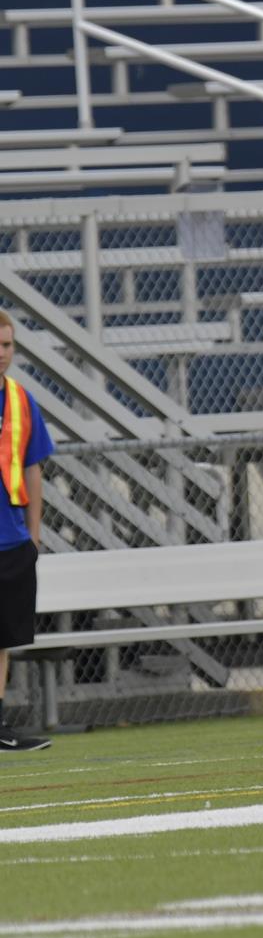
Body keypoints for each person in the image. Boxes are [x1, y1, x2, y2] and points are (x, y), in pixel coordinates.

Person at [0, 312, 53, 752]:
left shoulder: (20, 400)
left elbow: (33, 467)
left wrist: (33, 536)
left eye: (7, 345)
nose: (2, 354)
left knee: (3, 638)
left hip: (11, 537)